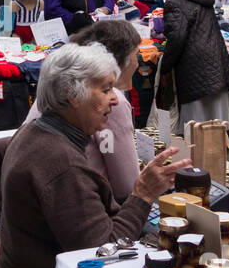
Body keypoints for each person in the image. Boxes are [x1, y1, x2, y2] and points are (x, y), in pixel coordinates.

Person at [0, 43, 188, 268]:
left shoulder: (36, 131)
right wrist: (144, 194)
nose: (115, 99)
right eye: (106, 89)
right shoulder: (63, 165)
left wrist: (14, 221)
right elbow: (103, 251)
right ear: (72, 96)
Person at [24, 20, 143, 199]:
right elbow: (127, 186)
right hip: (75, 203)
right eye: (137, 53)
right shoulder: (110, 102)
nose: (138, 63)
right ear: (121, 60)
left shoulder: (58, 85)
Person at [150, 0, 229, 125]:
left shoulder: (174, 3)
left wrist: (165, 65)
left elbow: (177, 37)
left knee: (197, 123)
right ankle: (219, 146)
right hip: (216, 59)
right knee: (217, 118)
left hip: (194, 66)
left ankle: (201, 148)